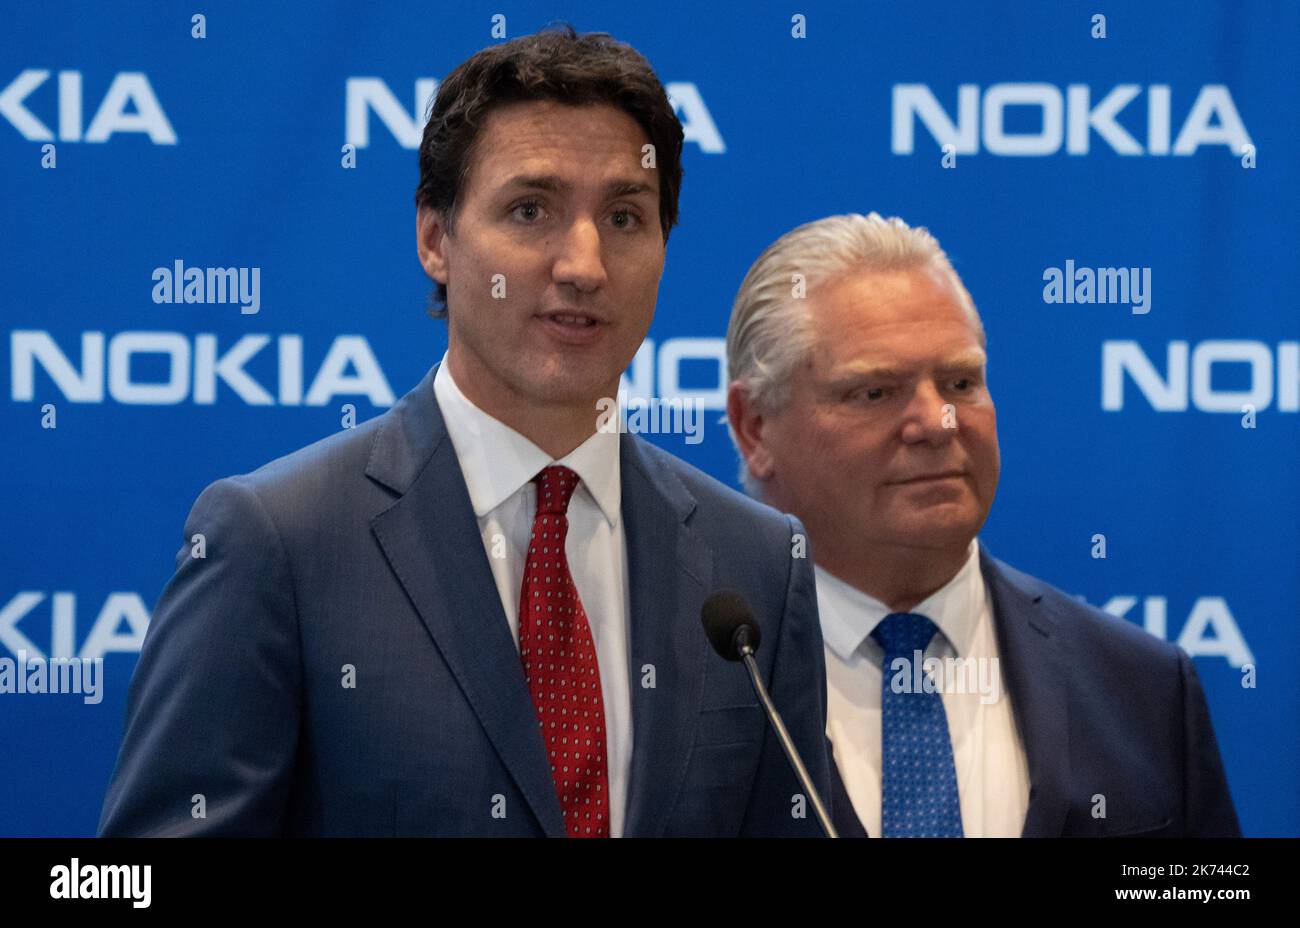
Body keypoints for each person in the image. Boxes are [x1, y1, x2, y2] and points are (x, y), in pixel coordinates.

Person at [99, 26, 830, 838]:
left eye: (625, 217)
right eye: (530, 210)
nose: (584, 263)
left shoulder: (758, 568)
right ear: (435, 240)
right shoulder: (279, 544)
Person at [725, 212, 1240, 837]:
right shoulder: (681, 687)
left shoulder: (1143, 688)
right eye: (875, 393)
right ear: (755, 427)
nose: (938, 422)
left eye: (960, 382)